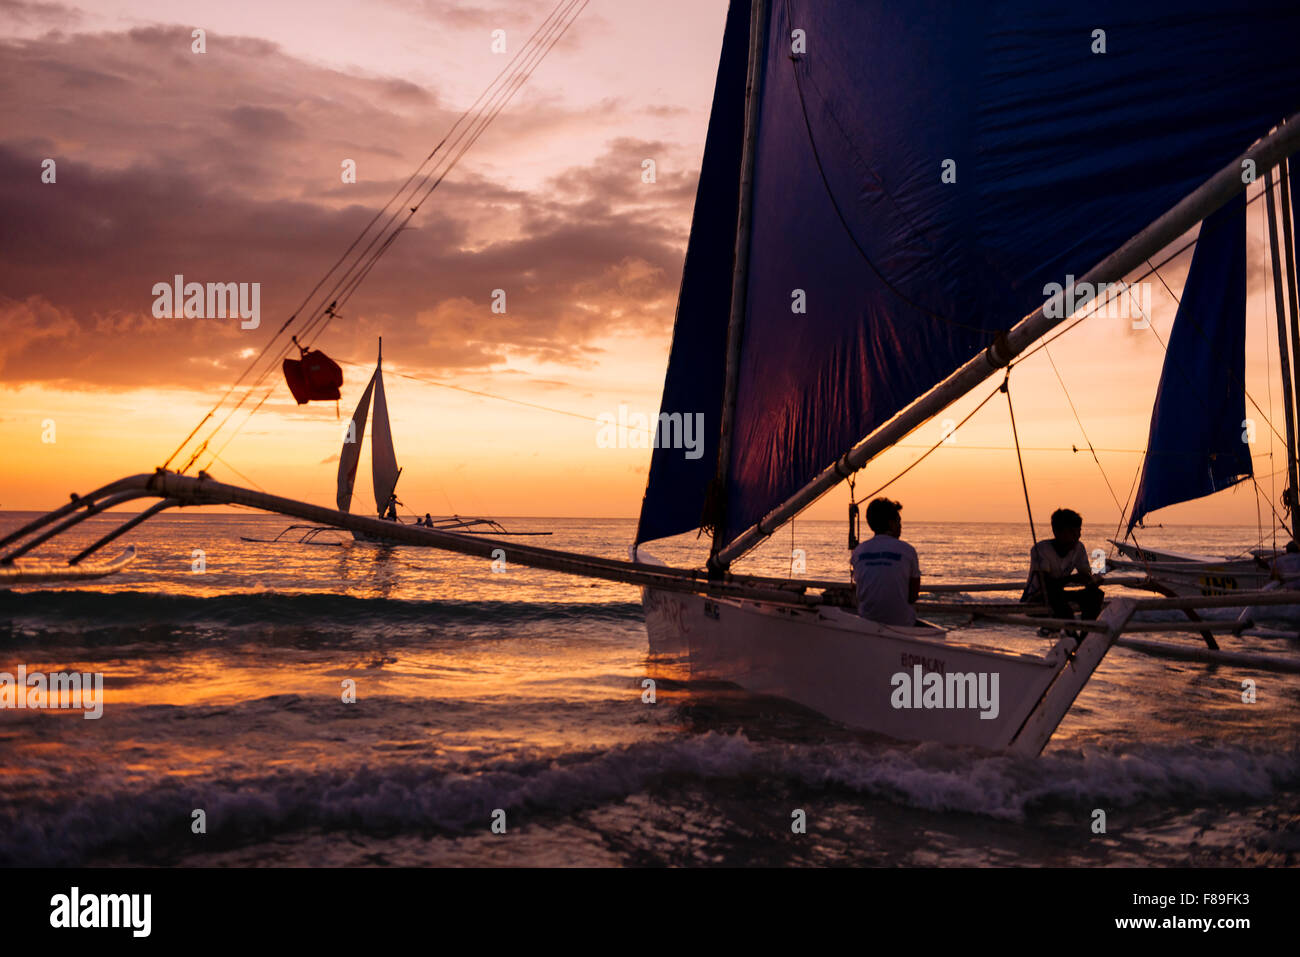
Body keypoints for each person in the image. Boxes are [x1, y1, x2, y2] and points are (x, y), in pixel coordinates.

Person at [1022, 508, 1104, 633]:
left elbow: (1084, 572)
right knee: (1058, 600)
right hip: (1037, 597)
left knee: (1095, 594)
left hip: (1058, 594)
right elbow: (1046, 584)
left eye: (1079, 530)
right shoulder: (1040, 550)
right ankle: (1072, 637)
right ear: (1057, 532)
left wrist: (1091, 580)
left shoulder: (1078, 548)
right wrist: (1072, 578)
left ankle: (1086, 635)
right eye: (1072, 531)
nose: (1077, 535)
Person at [849, 497, 921, 626]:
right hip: (902, 624)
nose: (900, 527)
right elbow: (913, 596)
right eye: (899, 522)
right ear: (891, 524)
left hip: (867, 623)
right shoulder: (908, 550)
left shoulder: (859, 551)